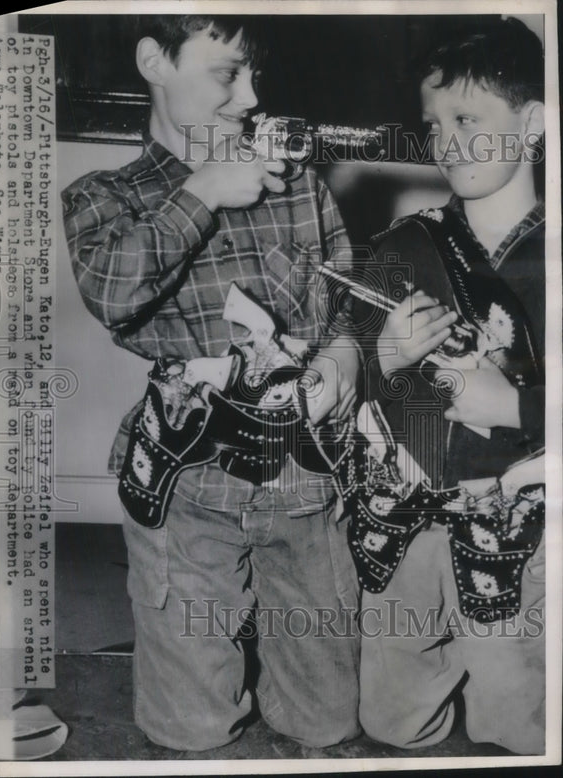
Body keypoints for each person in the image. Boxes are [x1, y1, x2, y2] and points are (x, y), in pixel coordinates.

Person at [62, 15, 363, 751]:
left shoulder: (295, 185)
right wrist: (201, 193)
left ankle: (255, 649)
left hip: (303, 470)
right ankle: (193, 651)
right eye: (230, 73)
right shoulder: (105, 195)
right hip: (186, 474)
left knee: (328, 723)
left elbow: (351, 291)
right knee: (191, 729)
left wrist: (348, 355)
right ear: (153, 62)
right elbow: (113, 292)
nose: (251, 95)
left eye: (255, 74)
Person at [354, 18, 546, 754]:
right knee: (390, 724)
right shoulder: (404, 244)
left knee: (513, 727)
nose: (446, 141)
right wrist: (387, 358)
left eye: (468, 118)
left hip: (522, 525)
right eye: (434, 123)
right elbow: (362, 389)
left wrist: (519, 406)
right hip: (414, 511)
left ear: (530, 122)